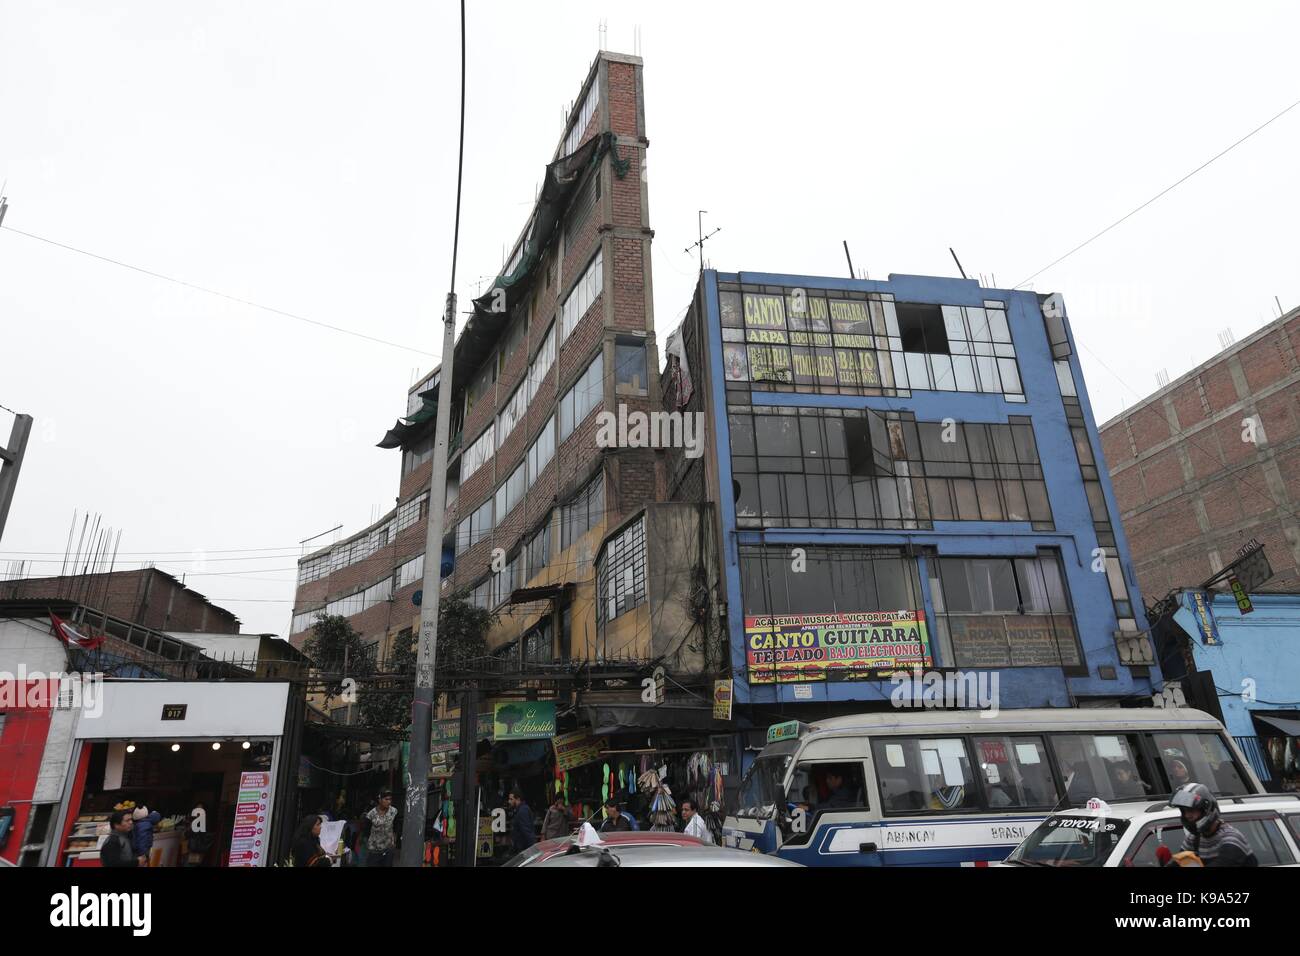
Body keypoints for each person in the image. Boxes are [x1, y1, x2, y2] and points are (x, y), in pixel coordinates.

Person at [1164, 783, 1258, 867]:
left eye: (1191, 810)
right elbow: (1179, 862)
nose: (1187, 816)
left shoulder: (1231, 838)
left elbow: (1224, 863)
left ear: (1206, 810)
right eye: (1184, 811)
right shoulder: (1193, 839)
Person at [364, 791, 398, 867]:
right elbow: (366, 831)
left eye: (390, 799)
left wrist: (394, 841)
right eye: (386, 799)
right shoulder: (371, 814)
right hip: (374, 850)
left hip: (388, 848)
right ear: (380, 800)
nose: (389, 802)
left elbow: (396, 827)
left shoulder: (394, 812)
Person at [508, 788, 536, 853]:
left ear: (518, 799)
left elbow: (527, 832)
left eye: (511, 799)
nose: (509, 801)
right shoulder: (520, 810)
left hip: (525, 850)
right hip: (523, 849)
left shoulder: (522, 811)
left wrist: (533, 850)